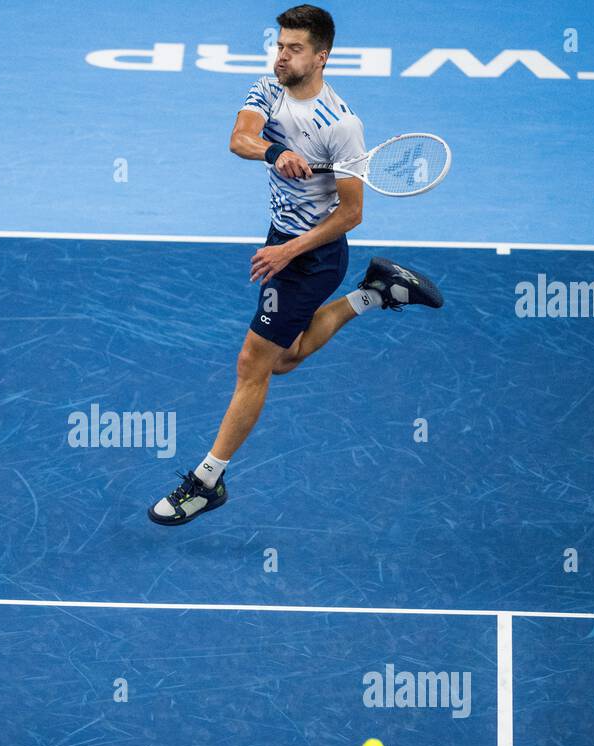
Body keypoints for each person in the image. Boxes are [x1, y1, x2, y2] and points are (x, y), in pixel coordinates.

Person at [148, 4, 443, 526]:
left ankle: (206, 481)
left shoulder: (343, 127)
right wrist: (272, 154)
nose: (281, 55)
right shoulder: (268, 88)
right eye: (280, 45)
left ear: (321, 56)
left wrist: (289, 251)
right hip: (281, 242)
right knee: (285, 359)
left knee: (252, 364)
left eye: (294, 48)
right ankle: (376, 292)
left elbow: (352, 213)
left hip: (314, 255)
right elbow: (239, 138)